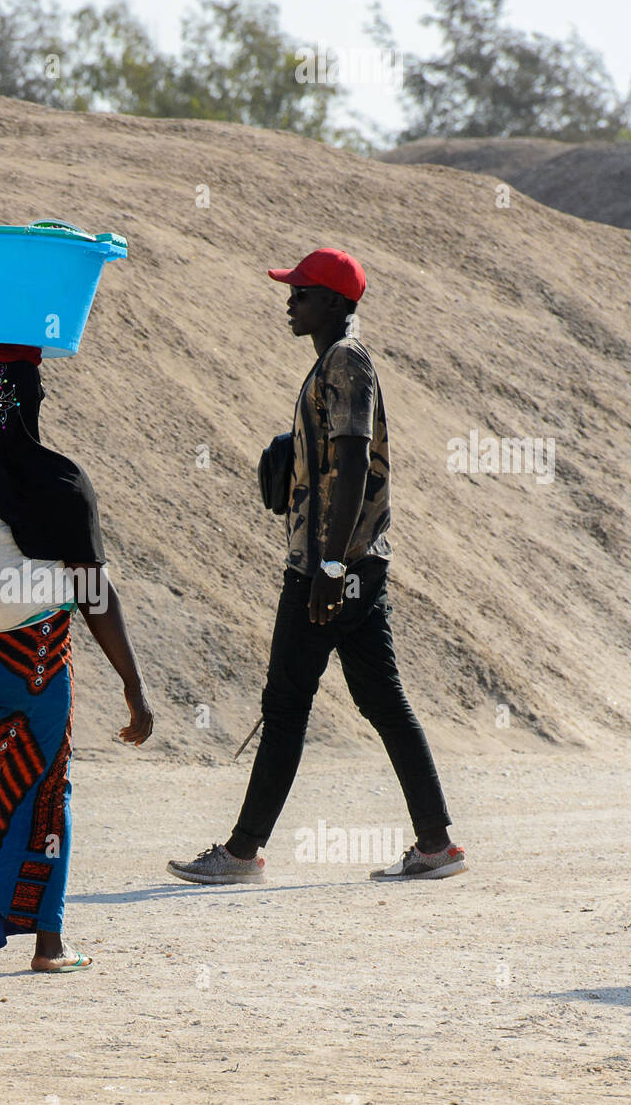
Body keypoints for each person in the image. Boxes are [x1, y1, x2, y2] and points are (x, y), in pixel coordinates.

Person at [168, 249, 466, 885]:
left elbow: (355, 462)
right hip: (349, 562)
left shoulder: (346, 361)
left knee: (286, 705)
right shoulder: (333, 360)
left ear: (333, 302)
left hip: (331, 565)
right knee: (383, 702)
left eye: (301, 292)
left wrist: (329, 565)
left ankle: (242, 855)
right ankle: (436, 846)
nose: (290, 300)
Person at [0, 343, 153, 988]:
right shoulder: (57, 481)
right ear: (32, 405)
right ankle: (48, 942)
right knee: (44, 791)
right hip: (34, 660)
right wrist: (133, 687)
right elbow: (94, 594)